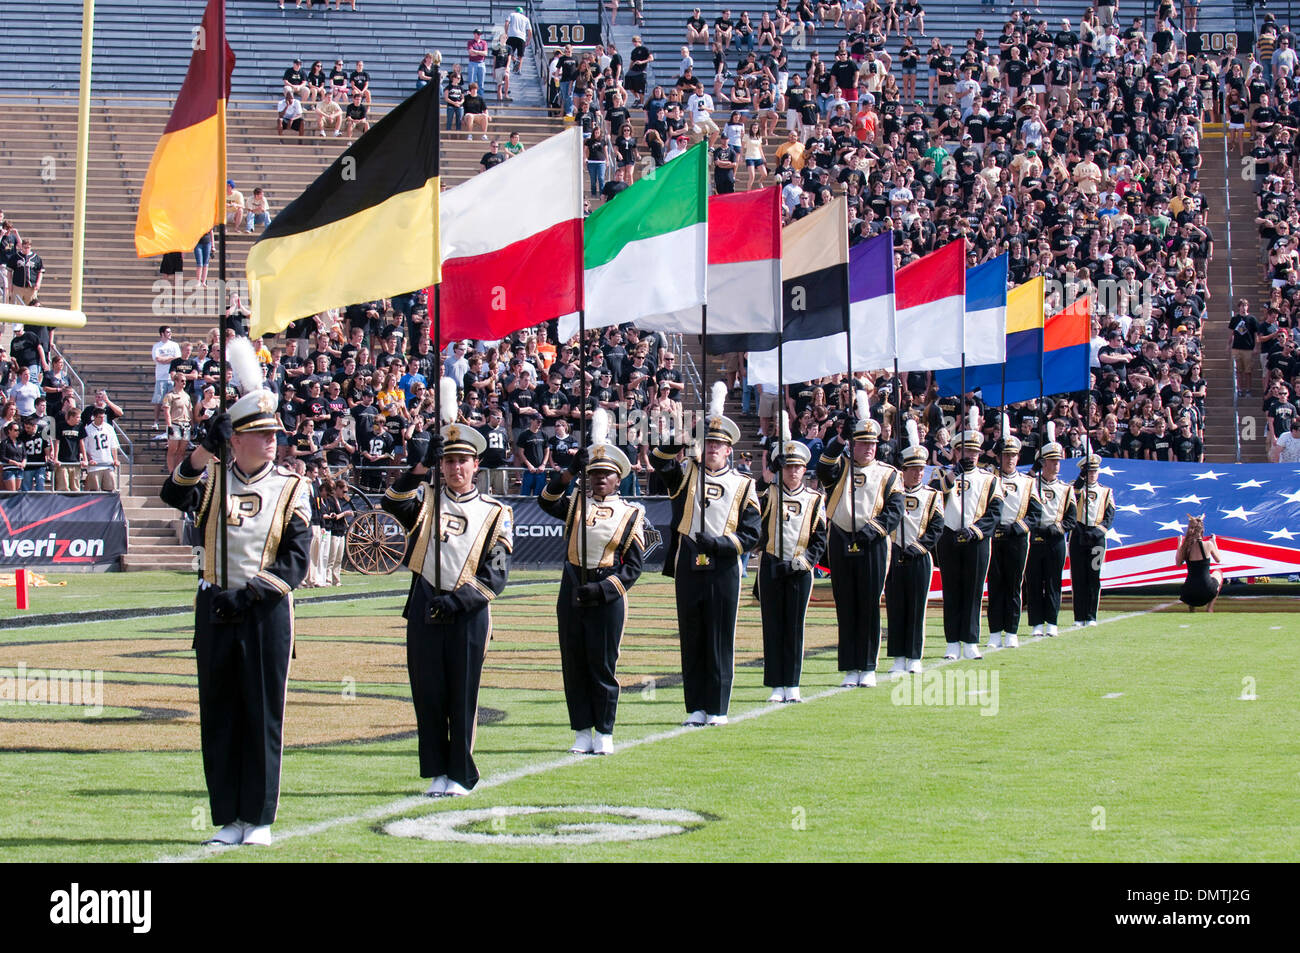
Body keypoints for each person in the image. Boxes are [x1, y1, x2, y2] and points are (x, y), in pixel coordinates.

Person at [159, 387, 312, 847]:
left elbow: (297, 558)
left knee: (262, 714)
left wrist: (249, 596)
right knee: (220, 715)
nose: (270, 441)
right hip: (215, 609)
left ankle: (259, 817)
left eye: (273, 434)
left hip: (263, 611)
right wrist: (203, 447)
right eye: (259, 434)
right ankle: (228, 817)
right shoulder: (213, 479)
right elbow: (172, 493)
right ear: (236, 438)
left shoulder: (291, 487)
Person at [381, 421, 513, 797]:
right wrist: (420, 465)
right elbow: (391, 502)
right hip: (425, 601)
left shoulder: (495, 511)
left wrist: (458, 602)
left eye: (463, 461)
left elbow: (497, 572)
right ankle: (437, 770)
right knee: (428, 693)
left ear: (476, 466)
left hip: (467, 610)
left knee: (462, 693)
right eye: (449, 461)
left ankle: (461, 772)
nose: (456, 468)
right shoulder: (425, 499)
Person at [650, 386, 761, 726]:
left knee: (719, 636)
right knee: (692, 636)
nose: (712, 449)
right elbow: (659, 460)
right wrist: (685, 437)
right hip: (688, 562)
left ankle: (718, 707)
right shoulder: (686, 474)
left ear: (730, 450)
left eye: (719, 445)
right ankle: (695, 706)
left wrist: (723, 545)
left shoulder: (744, 485)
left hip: (723, 565)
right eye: (708, 443)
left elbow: (752, 534)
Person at [538, 424, 646, 754]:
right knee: (574, 663)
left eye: (607, 474)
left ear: (619, 479)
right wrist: (570, 471)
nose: (600, 478)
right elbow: (546, 499)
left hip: (606, 594)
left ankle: (605, 730)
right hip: (572, 586)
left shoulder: (632, 512)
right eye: (594, 472)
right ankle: (581, 730)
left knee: (602, 664)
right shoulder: (575, 504)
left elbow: (635, 567)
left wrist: (603, 591)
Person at [814, 405, 904, 688]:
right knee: (846, 603)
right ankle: (849, 665)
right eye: (863, 442)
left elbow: (895, 509)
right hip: (841, 536)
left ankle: (867, 665)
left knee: (868, 604)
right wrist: (840, 438)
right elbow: (823, 467)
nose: (868, 448)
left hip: (872, 541)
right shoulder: (842, 467)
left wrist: (872, 530)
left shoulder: (888, 474)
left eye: (872, 443)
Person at [756, 438, 827, 703]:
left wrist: (808, 560)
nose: (793, 472)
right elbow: (755, 494)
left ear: (804, 469)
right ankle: (776, 683)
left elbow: (820, 537)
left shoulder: (814, 499)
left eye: (797, 467)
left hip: (799, 567)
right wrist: (769, 474)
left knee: (795, 625)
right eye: (788, 467)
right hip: (772, 563)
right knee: (773, 625)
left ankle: (793, 683)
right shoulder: (771, 494)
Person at [930, 428, 1002, 659]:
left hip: (976, 539)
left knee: (973, 590)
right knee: (951, 589)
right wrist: (952, 476)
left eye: (974, 452)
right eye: (965, 451)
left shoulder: (989, 479)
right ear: (955, 452)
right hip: (949, 536)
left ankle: (970, 639)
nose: (970, 456)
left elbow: (995, 512)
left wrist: (977, 530)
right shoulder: (941, 474)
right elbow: (930, 497)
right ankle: (952, 641)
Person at [884, 438, 943, 675]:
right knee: (895, 607)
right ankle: (898, 656)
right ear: (904, 470)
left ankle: (914, 655)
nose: (918, 473)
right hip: (895, 553)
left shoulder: (931, 495)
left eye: (921, 469)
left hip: (918, 556)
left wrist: (921, 546)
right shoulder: (892, 494)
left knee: (917, 608)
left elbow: (937, 526)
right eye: (914, 469)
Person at [985, 434, 1041, 650]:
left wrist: (1020, 526)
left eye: (1013, 455)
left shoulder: (1027, 483)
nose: (1009, 459)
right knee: (995, 584)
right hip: (994, 537)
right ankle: (994, 632)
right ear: (999, 457)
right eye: (1006, 455)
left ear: (1018, 457)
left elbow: (1035, 512)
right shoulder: (991, 479)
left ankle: (1011, 631)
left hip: (1016, 538)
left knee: (1014, 585)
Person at [1023, 437, 1075, 638]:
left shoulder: (1065, 488)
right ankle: (1036, 621)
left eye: (1058, 461)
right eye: (1051, 461)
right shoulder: (1032, 485)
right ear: (1043, 463)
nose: (1056, 465)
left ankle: (1052, 620)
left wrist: (1060, 527)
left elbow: (1071, 518)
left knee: (1054, 581)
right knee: (1035, 581)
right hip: (1036, 537)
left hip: (1056, 538)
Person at [1069, 454, 1114, 627]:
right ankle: (1079, 616)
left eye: (1094, 471)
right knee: (1078, 577)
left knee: (1093, 576)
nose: (1092, 474)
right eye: (1089, 471)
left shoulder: (1106, 491)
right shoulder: (1078, 489)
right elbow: (1074, 494)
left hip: (1096, 539)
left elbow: (1109, 517)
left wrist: (1097, 532)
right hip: (1079, 535)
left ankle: (1091, 615)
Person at [1176, 514, 1223, 613]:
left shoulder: (1185, 546)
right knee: (1218, 572)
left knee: (1192, 581)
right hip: (1207, 591)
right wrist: (1214, 541)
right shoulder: (1208, 545)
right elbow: (1218, 559)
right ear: (1202, 531)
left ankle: (1192, 609)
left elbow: (1178, 563)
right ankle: (1210, 608)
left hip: (1189, 594)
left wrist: (1179, 543)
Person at [83, 406, 121, 491]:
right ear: (94, 417)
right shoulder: (88, 429)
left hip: (108, 464)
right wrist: (90, 459)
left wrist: (115, 459)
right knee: (94, 490)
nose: (102, 419)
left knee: (110, 489)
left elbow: (114, 445)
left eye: (103, 417)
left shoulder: (109, 428)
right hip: (95, 465)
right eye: (100, 417)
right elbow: (84, 448)